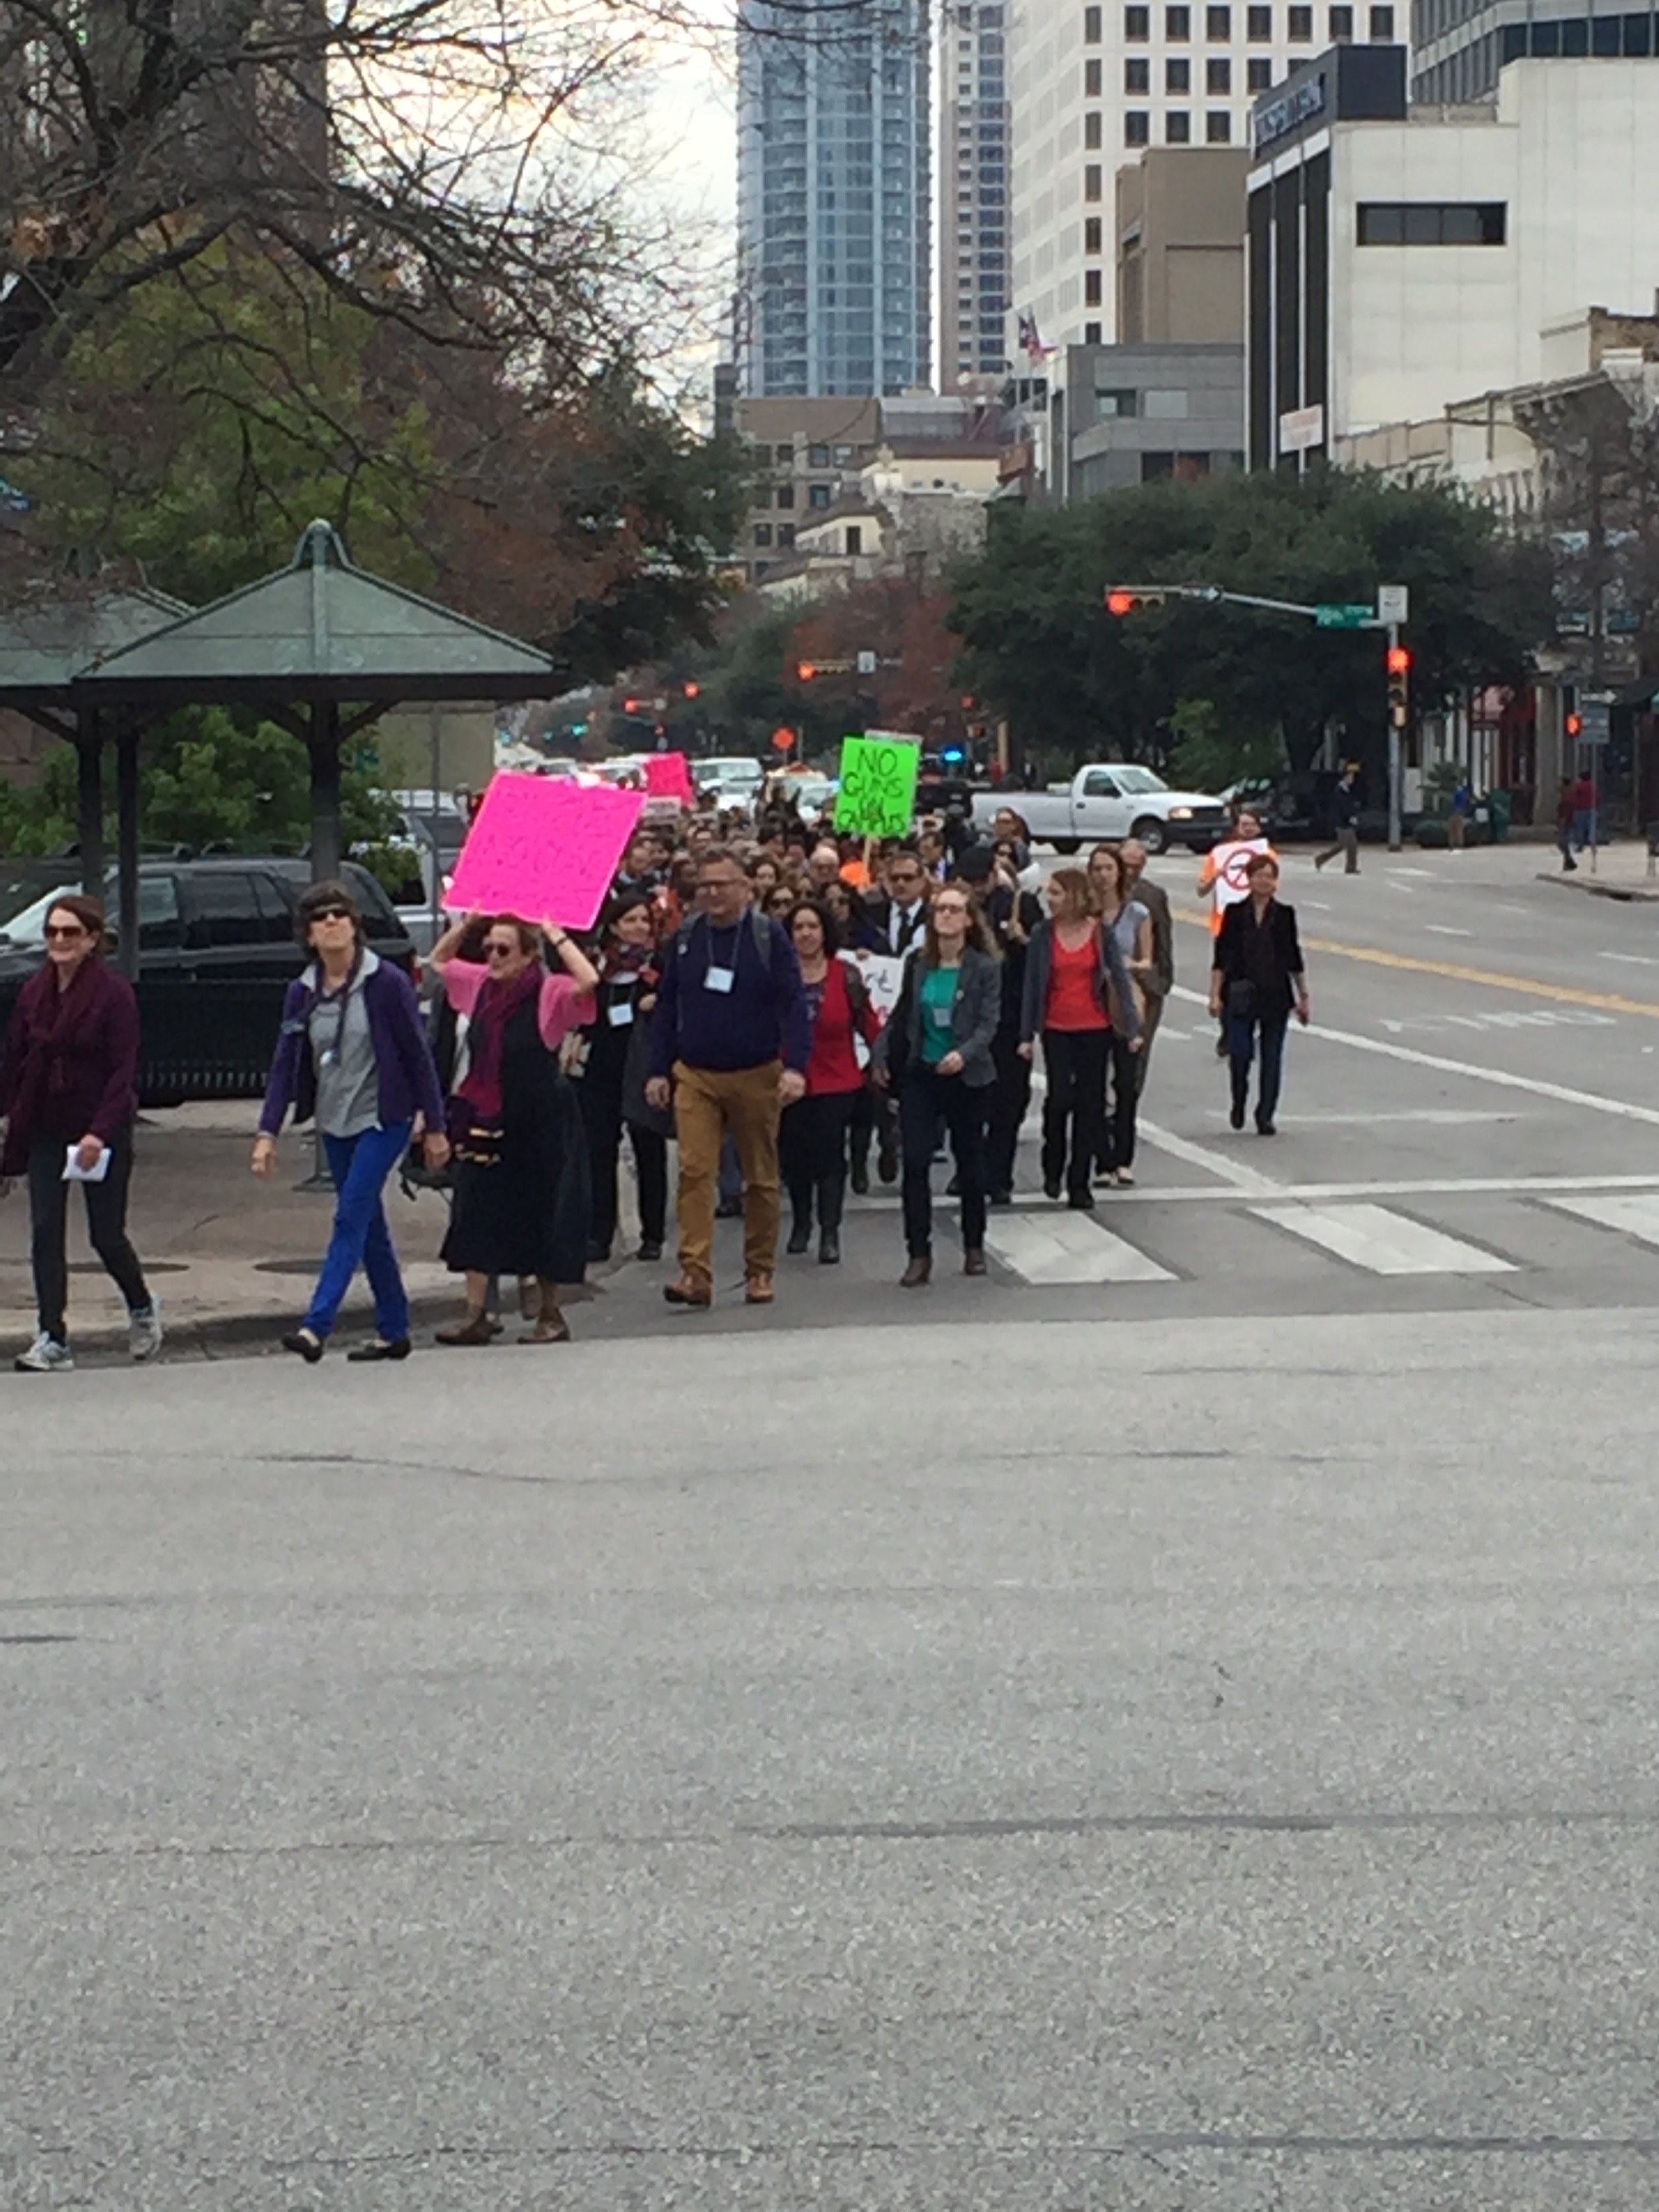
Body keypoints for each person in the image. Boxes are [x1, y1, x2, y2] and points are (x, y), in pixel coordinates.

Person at [254, 880, 449, 1363]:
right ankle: (394, 1328)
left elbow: (417, 1056)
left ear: (356, 925)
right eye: (321, 919)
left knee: (349, 1216)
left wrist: (438, 1125)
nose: (333, 923)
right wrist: (267, 1132)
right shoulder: (302, 993)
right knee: (369, 1224)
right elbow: (285, 1063)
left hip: (384, 1117)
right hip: (334, 1120)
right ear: (309, 936)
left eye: (341, 915)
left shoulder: (386, 984)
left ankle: (316, 1325)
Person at [0, 893, 161, 1374]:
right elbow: (15, 1060)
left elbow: (122, 1070)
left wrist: (99, 1133)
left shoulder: (114, 995)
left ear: (92, 939)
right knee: (46, 1230)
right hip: (48, 1125)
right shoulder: (35, 993)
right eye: (52, 932)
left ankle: (142, 1306)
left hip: (99, 1128)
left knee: (106, 1235)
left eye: (71, 932)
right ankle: (53, 1337)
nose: (60, 941)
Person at [645, 845, 811, 1309]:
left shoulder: (767, 936)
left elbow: (794, 1003)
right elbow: (668, 1005)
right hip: (696, 1074)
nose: (713, 893)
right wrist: (658, 1070)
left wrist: (796, 1066)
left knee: (760, 1177)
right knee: (696, 1172)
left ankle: (760, 1270)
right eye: (705, 886)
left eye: (722, 884)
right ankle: (694, 1273)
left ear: (745, 888)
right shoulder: (686, 937)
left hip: (756, 1072)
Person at [430, 912, 600, 1345]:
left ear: (528, 956)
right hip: (489, 1115)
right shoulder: (480, 988)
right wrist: (468, 925)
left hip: (541, 1119)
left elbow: (588, 979)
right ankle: (477, 1314)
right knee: (473, 1209)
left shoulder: (547, 991)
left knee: (545, 1212)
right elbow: (439, 961)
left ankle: (550, 1313)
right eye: (488, 948)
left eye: (503, 949)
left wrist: (553, 932)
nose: (492, 957)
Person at [874, 884, 1001, 1286]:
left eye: (954, 910)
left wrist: (963, 1053)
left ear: (968, 919)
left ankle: (974, 1245)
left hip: (966, 1076)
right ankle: (918, 1252)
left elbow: (988, 1023)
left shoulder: (984, 967)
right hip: (922, 1074)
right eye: (940, 910)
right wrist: (880, 1054)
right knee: (915, 1163)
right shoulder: (918, 964)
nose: (945, 916)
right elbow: (900, 1017)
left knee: (970, 1162)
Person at [1018, 867, 1140, 1210]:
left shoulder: (1100, 933)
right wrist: (1026, 1035)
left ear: (1074, 895)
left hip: (1095, 1027)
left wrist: (1131, 1028)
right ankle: (1053, 1159)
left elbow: (1118, 979)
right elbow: (1032, 985)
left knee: (1090, 1105)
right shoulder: (1043, 934)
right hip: (1057, 1027)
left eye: (1056, 893)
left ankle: (1079, 1180)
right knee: (1059, 1099)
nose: (1050, 900)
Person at [779, 900, 876, 1265]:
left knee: (830, 1159)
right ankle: (801, 1222)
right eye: (799, 928)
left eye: (813, 927)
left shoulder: (845, 974)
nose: (806, 934)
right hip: (787, 1082)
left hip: (837, 1080)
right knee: (794, 1158)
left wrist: (882, 1061)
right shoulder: (779, 974)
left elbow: (867, 1023)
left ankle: (830, 1230)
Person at [577, 892, 671, 1265]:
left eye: (644, 921)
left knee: (649, 1149)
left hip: (644, 1067)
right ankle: (599, 1234)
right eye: (631, 921)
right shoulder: (596, 966)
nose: (639, 928)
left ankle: (653, 1234)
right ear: (615, 926)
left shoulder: (659, 967)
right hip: (600, 1067)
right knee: (598, 1153)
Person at [958, 842, 1041, 1206]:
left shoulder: (1020, 905)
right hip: (970, 1019)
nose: (977, 888)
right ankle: (970, 1171)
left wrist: (1023, 939)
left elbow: (1040, 962)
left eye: (981, 880)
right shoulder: (956, 910)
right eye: (969, 881)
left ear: (994, 875)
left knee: (1008, 1100)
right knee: (969, 1100)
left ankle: (999, 1175)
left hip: (1009, 1018)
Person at [1210, 852, 1309, 1136]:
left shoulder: (1285, 915)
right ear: (1248, 879)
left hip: (1275, 994)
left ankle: (1265, 1113)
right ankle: (1239, 1100)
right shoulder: (1234, 913)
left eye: (1269, 876)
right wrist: (1215, 994)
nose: (1263, 881)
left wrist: (1304, 996)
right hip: (1240, 992)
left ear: (1275, 882)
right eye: (1258, 876)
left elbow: (1294, 958)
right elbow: (1221, 956)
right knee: (1240, 1052)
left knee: (1273, 1057)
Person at [1086, 844, 1153, 1187]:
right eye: (1096, 869)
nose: (1102, 875)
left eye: (1108, 869)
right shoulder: (1084, 913)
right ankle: (1101, 1158)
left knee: (1125, 1083)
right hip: (1091, 1004)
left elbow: (1147, 959)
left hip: (1125, 1002)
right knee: (1093, 1086)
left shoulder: (1137, 912)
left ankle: (1124, 1157)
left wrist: (1128, 965)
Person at [1198, 807, 1275, 1057]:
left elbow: (1272, 887)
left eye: (1252, 825)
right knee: (1227, 979)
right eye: (1244, 824)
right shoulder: (1220, 854)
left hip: (1258, 926)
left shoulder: (1266, 854)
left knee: (1257, 978)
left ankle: (1247, 1030)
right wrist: (1216, 877)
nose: (1248, 829)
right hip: (1225, 924)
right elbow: (1201, 889)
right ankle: (1227, 1030)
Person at [1118, 838, 1173, 1092]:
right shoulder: (1099, 892)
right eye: (1126, 865)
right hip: (1111, 982)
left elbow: (1163, 937)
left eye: (1136, 866)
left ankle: (1128, 1103)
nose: (1130, 871)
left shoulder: (1153, 895)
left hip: (1146, 981)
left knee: (1140, 1051)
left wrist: (1162, 980)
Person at [1314, 768, 1361, 874]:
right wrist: (1349, 817)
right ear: (1345, 778)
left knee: (1349, 845)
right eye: (1350, 777)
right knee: (1345, 845)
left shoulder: (1347, 790)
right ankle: (1321, 859)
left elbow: (1349, 805)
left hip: (1346, 821)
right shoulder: (1339, 791)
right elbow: (1341, 808)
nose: (1352, 779)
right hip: (1342, 822)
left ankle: (1350, 867)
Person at [1570, 769, 1597, 857]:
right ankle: (1593, 845)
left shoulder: (1579, 786)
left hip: (1580, 809)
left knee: (1580, 828)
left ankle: (1581, 845)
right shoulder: (1593, 786)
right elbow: (1597, 796)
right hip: (1591, 808)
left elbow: (1574, 797)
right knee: (1591, 828)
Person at [1555, 775, 1578, 872]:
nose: (1558, 786)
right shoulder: (1566, 795)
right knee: (1564, 844)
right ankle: (1568, 862)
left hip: (1568, 823)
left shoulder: (1567, 798)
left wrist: (1561, 823)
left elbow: (1565, 812)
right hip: (1570, 822)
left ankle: (1570, 861)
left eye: (1560, 783)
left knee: (1563, 843)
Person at [1447, 775, 1473, 853]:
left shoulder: (1457, 792)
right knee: (1459, 829)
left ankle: (1453, 844)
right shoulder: (1464, 792)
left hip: (1455, 811)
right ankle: (1459, 844)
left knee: (1453, 829)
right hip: (1461, 812)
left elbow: (1453, 801)